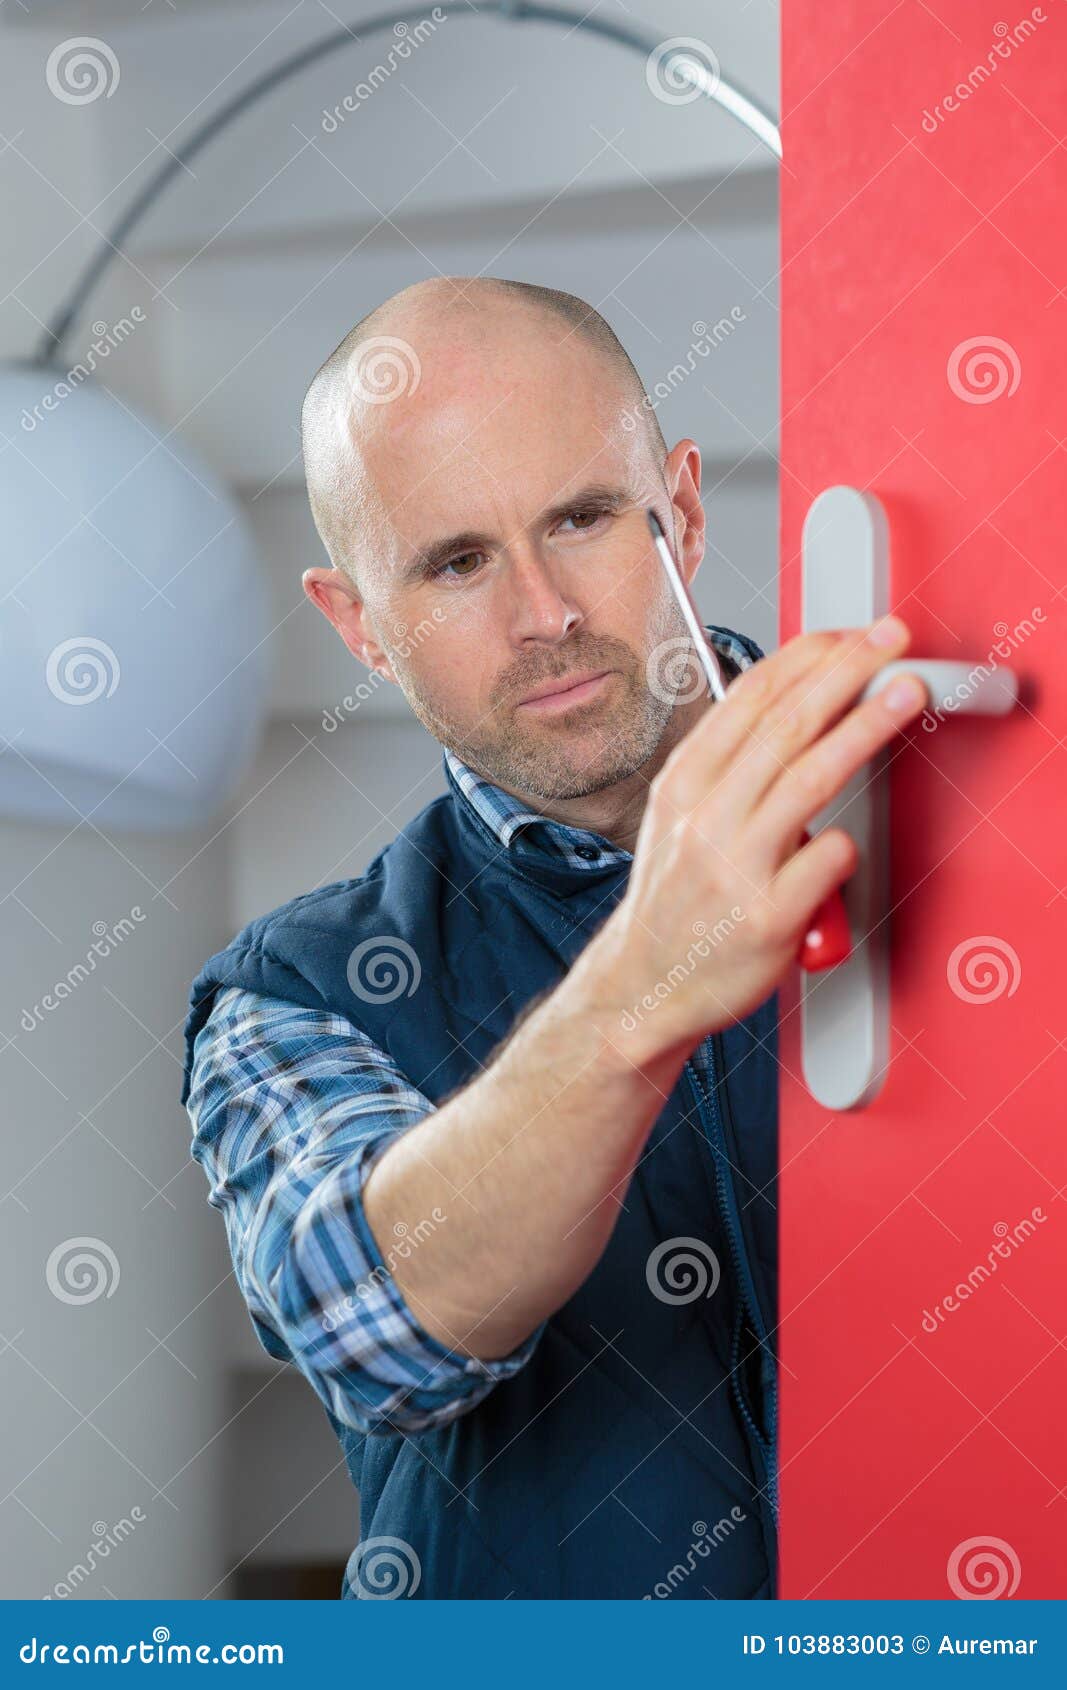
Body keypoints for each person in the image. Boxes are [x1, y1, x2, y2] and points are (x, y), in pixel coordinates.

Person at [180, 276, 925, 1600]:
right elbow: (372, 1325)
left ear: (682, 513)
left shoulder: (968, 810)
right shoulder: (290, 997)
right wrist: (648, 980)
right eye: (457, 562)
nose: (544, 612)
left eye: (581, 518)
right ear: (361, 626)